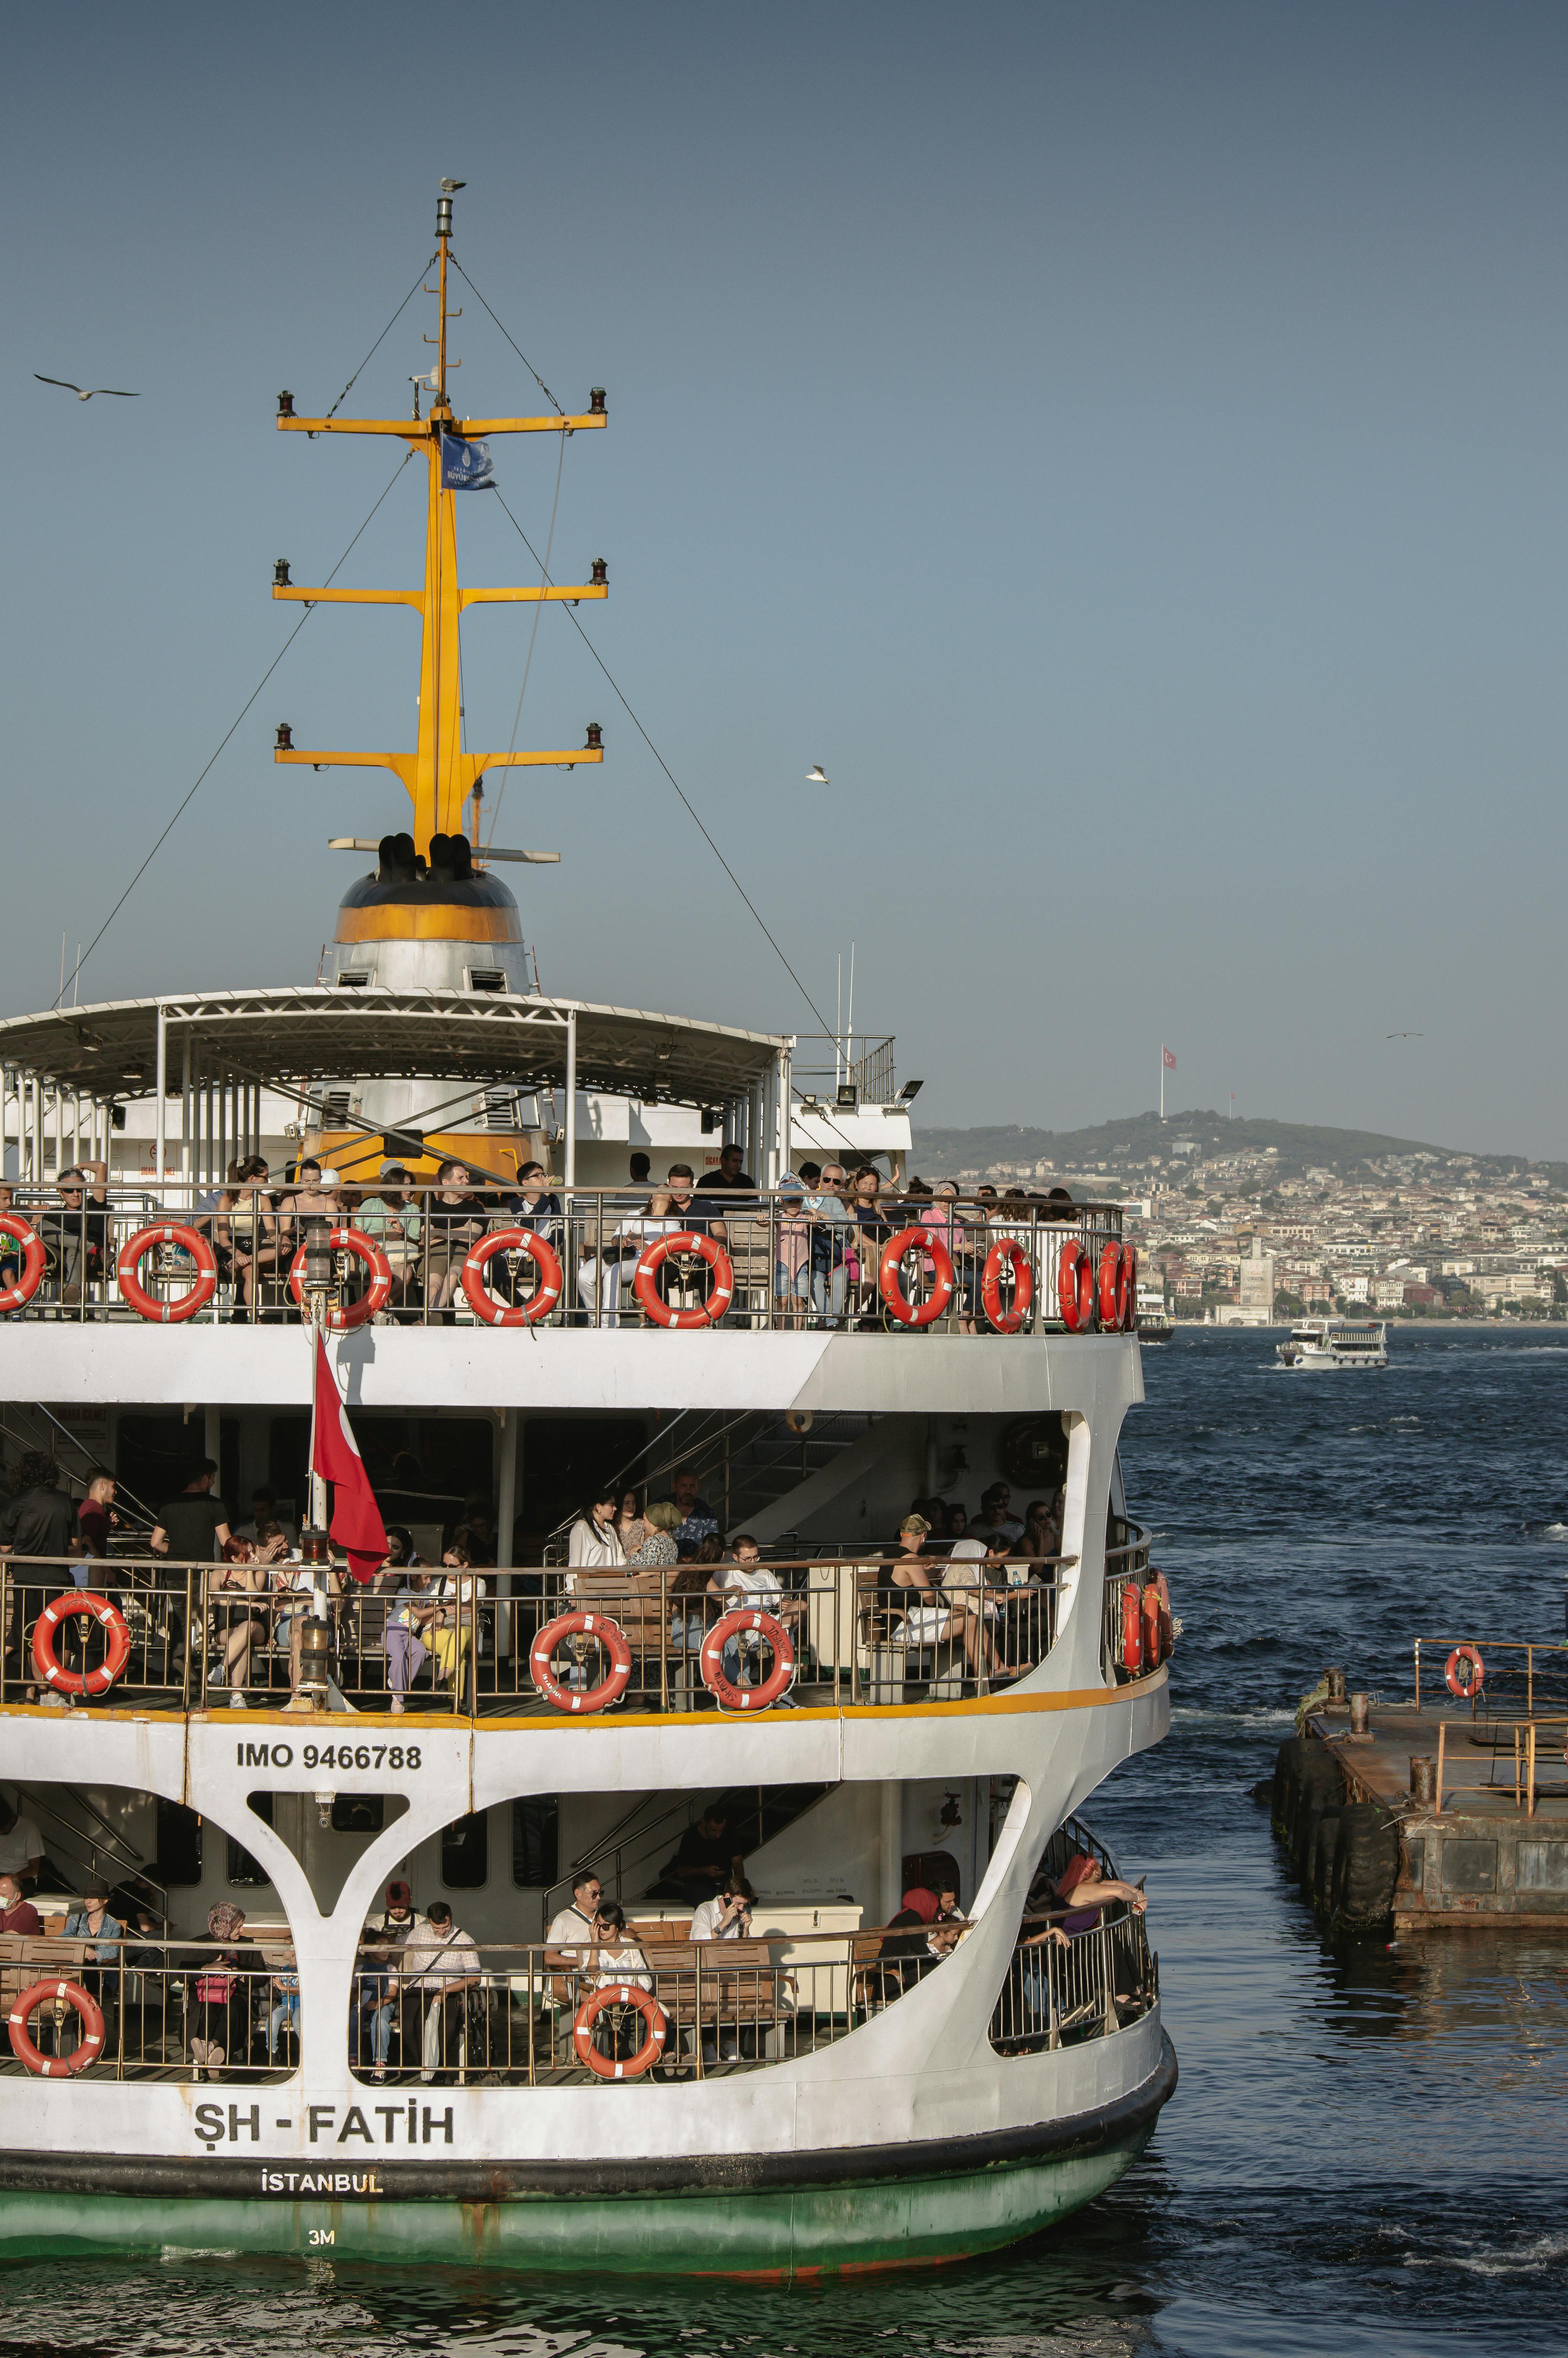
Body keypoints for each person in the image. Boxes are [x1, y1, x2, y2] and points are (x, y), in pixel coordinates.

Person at [393, 1899, 483, 2083]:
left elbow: (475, 1979)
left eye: (446, 1927)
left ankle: (434, 2071)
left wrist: (446, 1989)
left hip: (450, 1991)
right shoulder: (419, 1932)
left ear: (451, 1919)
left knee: (448, 2026)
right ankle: (431, 2071)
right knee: (410, 2025)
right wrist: (370, 1938)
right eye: (437, 1928)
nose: (442, 1932)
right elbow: (395, 1942)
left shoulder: (464, 1940)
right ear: (429, 1922)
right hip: (419, 1989)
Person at [705, 1534, 802, 1700]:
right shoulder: (725, 1572)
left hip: (768, 1616)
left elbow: (780, 1600)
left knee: (802, 1605)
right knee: (775, 1638)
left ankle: (778, 1638)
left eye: (756, 1557)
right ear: (735, 1557)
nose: (753, 1562)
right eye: (747, 1558)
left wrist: (784, 1603)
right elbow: (706, 1583)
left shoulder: (764, 1572)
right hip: (741, 1620)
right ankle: (777, 1641)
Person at [580, 1901, 655, 2066]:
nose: (601, 1930)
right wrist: (594, 1945)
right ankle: (653, 2062)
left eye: (606, 1926)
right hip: (605, 2004)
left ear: (619, 1926)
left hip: (633, 2000)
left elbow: (645, 1978)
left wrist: (633, 1995)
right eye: (598, 1925)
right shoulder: (592, 1948)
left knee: (654, 2016)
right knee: (640, 2020)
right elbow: (591, 1979)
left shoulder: (630, 1946)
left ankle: (671, 2055)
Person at [189, 1902, 258, 2079]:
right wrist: (206, 1968)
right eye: (239, 1926)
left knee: (232, 2009)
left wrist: (242, 1975)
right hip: (207, 1995)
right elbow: (180, 1976)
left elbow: (261, 1979)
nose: (242, 1931)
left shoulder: (249, 1945)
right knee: (209, 2006)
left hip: (238, 1997)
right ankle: (214, 2055)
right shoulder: (199, 1944)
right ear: (225, 1924)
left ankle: (209, 2048)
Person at [207, 1536, 274, 1706]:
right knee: (242, 1639)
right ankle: (237, 1696)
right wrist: (246, 1603)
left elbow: (253, 1595)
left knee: (246, 1627)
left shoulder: (258, 1573)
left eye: (253, 1551)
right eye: (249, 1553)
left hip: (255, 1628)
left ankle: (222, 1667)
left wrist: (250, 1569)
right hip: (227, 1629)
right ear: (235, 1559)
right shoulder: (220, 1573)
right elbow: (216, 1599)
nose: (254, 1556)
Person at [422, 1160, 492, 1314]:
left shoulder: (475, 1207)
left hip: (462, 1253)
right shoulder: (431, 1207)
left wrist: (440, 1232)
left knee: (453, 1276)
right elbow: (426, 1237)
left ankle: (427, 1319)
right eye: (461, 1178)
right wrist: (462, 1230)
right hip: (437, 1253)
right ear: (446, 1183)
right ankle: (430, 1318)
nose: (467, 1181)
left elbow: (472, 1236)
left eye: (466, 1177)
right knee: (433, 1285)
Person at [39, 1161, 111, 1305]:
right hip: (60, 1259)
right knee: (42, 1226)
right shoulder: (54, 1214)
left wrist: (80, 1166)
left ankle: (70, 1298)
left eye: (80, 1189)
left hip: (89, 1260)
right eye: (69, 1190)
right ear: (60, 1192)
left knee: (74, 1251)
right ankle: (91, 1247)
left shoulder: (93, 1205)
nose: (76, 1194)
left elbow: (101, 1167)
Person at [429, 1542, 486, 1702]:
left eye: (452, 1566)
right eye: (444, 1565)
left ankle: (442, 1685)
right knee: (457, 1653)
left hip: (465, 1629)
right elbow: (426, 1608)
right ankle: (452, 1695)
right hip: (436, 1630)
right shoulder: (437, 1583)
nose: (447, 1570)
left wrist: (444, 1611)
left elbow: (473, 1605)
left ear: (465, 1565)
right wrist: (444, 1605)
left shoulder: (477, 1583)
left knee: (458, 1636)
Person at [148, 1461, 231, 1565]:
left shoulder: (170, 1504)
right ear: (205, 1479)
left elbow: (156, 1543)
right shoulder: (215, 1504)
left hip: (175, 1572)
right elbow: (226, 1542)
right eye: (213, 1478)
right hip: (202, 1572)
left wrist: (176, 1553)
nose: (213, 1483)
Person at [383, 1553, 435, 1714]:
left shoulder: (426, 1594)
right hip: (393, 1630)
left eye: (430, 1578)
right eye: (426, 1578)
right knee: (399, 1657)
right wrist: (441, 1607)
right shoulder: (404, 1591)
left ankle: (398, 1684)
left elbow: (429, 1612)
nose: (428, 1582)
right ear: (413, 1576)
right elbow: (419, 1614)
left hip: (409, 1633)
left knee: (420, 1652)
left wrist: (444, 1606)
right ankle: (399, 1698)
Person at [0, 1451, 75, 1563]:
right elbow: (75, 1541)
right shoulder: (65, 1499)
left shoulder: (15, 1503)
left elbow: (5, 1548)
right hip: (58, 1572)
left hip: (25, 1573)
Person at [659, 1811, 741, 1907]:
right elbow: (682, 1871)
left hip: (724, 1883)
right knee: (705, 1900)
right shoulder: (691, 1837)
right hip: (698, 1885)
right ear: (704, 1823)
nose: (718, 1835)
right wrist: (704, 1871)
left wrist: (739, 1886)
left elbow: (738, 1863)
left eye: (721, 1831)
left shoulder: (730, 1833)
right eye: (713, 1830)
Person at [657, 1468, 719, 1562]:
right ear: (675, 1486)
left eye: (692, 1486)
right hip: (664, 1568)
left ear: (698, 1486)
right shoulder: (661, 1507)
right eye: (684, 1486)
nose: (688, 1491)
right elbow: (649, 1533)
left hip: (695, 1569)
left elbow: (713, 1545)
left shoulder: (707, 1513)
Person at [567, 1484, 626, 1580]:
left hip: (612, 1588)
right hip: (590, 1589)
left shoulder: (610, 1528)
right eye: (612, 1505)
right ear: (599, 1507)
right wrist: (574, 1590)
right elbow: (575, 1565)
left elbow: (620, 1558)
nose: (615, 1508)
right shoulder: (582, 1528)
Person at [690, 1874, 755, 1943]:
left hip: (732, 1954)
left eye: (744, 1905)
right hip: (708, 1953)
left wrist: (746, 1929)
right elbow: (699, 1942)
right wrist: (724, 1923)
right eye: (739, 1904)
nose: (741, 1908)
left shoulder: (740, 1914)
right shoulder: (704, 1910)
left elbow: (747, 1949)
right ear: (728, 1897)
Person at [0, 1794, 44, 1886]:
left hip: (21, 1878)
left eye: (3, 1830)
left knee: (8, 1893)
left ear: (12, 1820)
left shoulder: (29, 1828)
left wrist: (10, 1880)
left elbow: (33, 1868)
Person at [267, 1963, 302, 2062]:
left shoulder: (301, 1967)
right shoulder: (285, 1968)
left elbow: (302, 1990)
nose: (284, 1950)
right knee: (273, 2018)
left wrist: (282, 1987)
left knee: (297, 2023)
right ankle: (273, 2052)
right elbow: (282, 1987)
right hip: (286, 2005)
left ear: (293, 1953)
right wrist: (276, 1984)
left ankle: (306, 2051)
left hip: (300, 2005)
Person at [0, 1871, 42, 1936]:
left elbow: (12, 1936)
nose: (0, 1898)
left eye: (3, 1895)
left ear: (17, 1896)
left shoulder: (28, 1910)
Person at [614, 1489, 647, 1559]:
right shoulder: (611, 1527)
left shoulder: (642, 1524)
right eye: (627, 1503)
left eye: (634, 1502)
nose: (631, 1507)